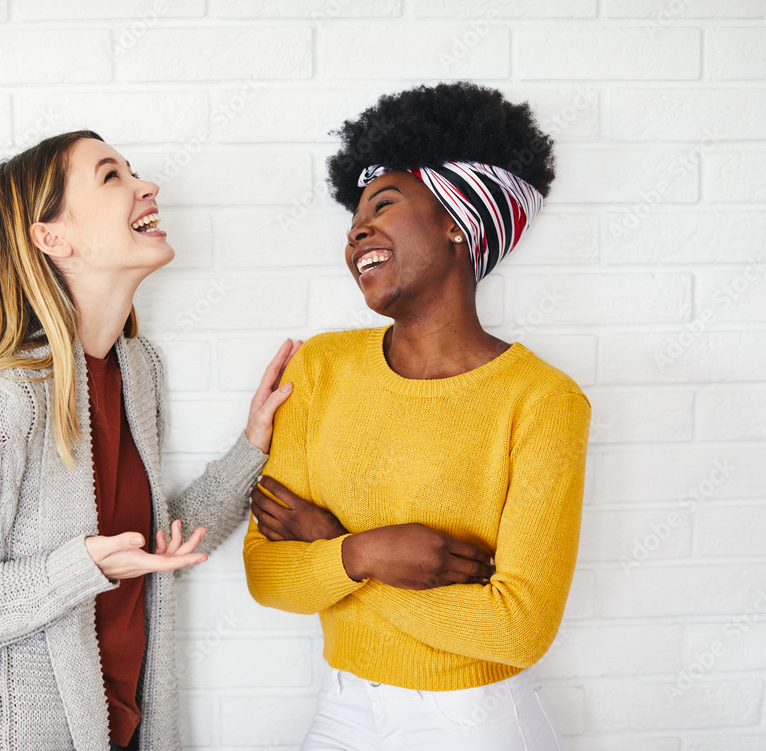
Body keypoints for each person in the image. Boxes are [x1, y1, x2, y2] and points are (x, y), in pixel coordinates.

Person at [0, 129, 300, 751]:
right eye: (112, 176)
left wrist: (252, 447)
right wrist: (78, 567)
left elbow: (151, 544)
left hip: (125, 729)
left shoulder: (137, 372)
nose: (148, 186)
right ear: (50, 237)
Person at [244, 82, 591, 750]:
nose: (357, 231)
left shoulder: (543, 400)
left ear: (457, 221)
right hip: (344, 706)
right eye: (354, 219)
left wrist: (334, 548)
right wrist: (368, 549)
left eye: (384, 204)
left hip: (476, 719)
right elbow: (266, 575)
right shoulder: (320, 368)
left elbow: (518, 627)